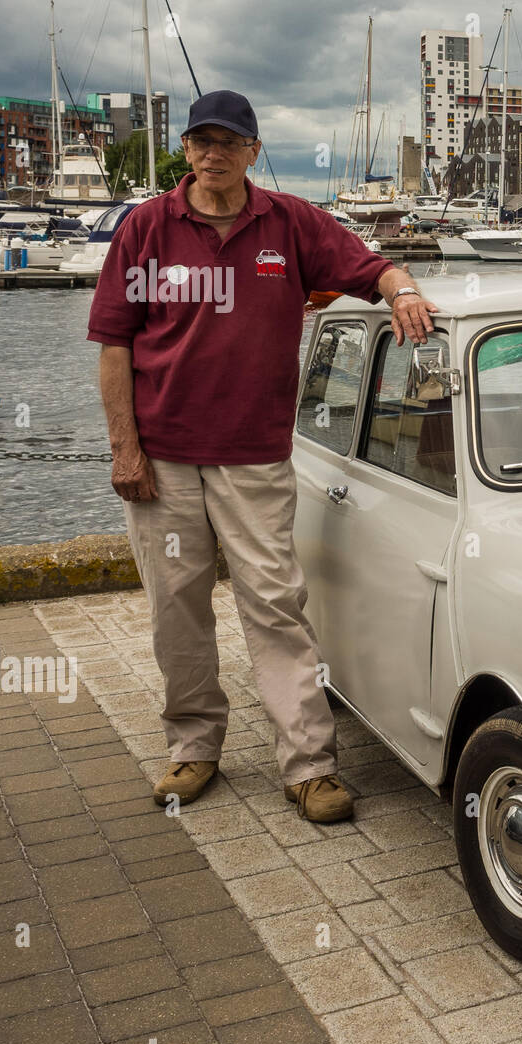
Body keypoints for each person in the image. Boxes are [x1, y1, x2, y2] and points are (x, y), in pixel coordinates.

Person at [87, 90, 438, 823]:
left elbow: (369, 266)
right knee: (176, 609)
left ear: (253, 150)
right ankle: (193, 747)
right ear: (186, 150)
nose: (212, 153)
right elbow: (114, 344)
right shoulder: (147, 227)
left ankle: (309, 765)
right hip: (164, 459)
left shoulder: (290, 222)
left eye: (228, 141)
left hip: (253, 456)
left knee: (275, 606)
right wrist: (125, 451)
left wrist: (402, 289)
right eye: (200, 141)